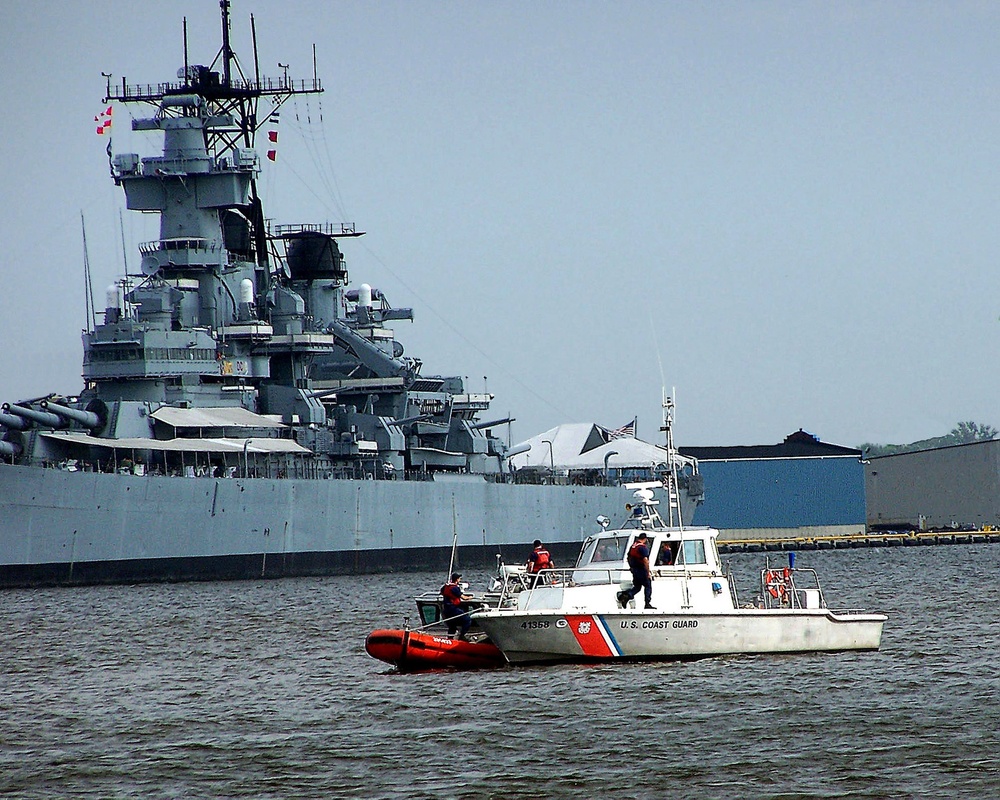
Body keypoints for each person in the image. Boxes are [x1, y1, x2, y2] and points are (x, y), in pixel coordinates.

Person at [618, 532, 654, 609]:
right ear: (645, 539)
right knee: (647, 585)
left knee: (637, 587)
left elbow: (628, 557)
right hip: (641, 569)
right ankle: (647, 603)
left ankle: (627, 595)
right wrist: (648, 572)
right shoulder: (642, 547)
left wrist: (631, 568)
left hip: (635, 569)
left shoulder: (633, 546)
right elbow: (645, 560)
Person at [440, 572, 472, 640]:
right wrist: (470, 597)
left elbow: (442, 592)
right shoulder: (454, 588)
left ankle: (450, 639)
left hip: (446, 609)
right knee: (467, 620)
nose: (460, 580)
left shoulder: (446, 586)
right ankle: (462, 636)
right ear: (457, 579)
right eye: (459, 579)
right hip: (452, 609)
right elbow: (464, 598)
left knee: (452, 625)